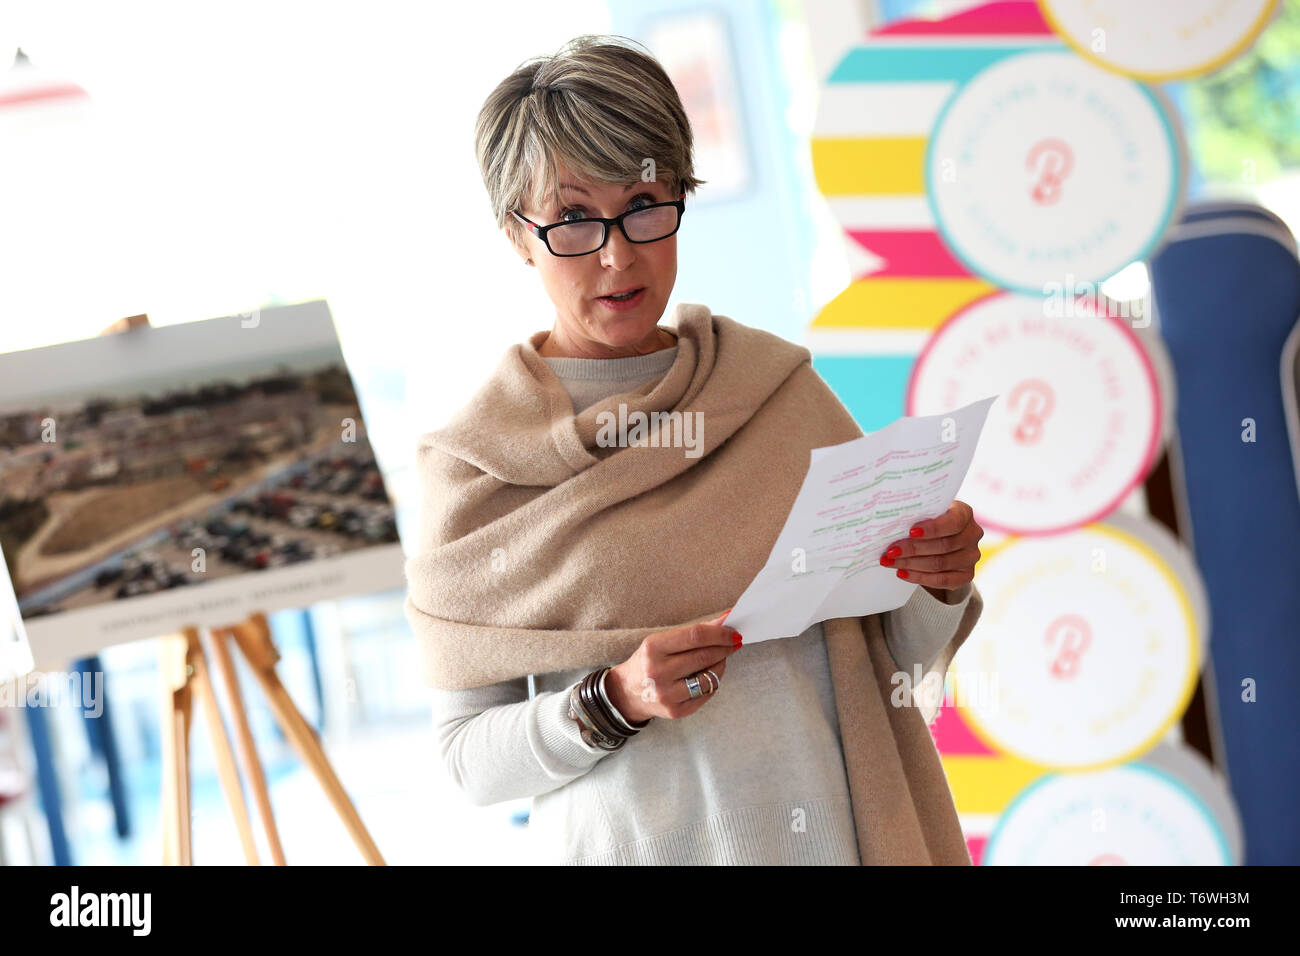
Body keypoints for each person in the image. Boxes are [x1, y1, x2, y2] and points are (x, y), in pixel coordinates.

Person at [403, 34, 985, 865]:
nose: (617, 253)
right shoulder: (480, 464)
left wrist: (941, 582)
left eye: (644, 201)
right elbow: (465, 761)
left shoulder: (776, 390)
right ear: (516, 235)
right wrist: (616, 698)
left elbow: (894, 656)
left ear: (680, 193)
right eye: (572, 218)